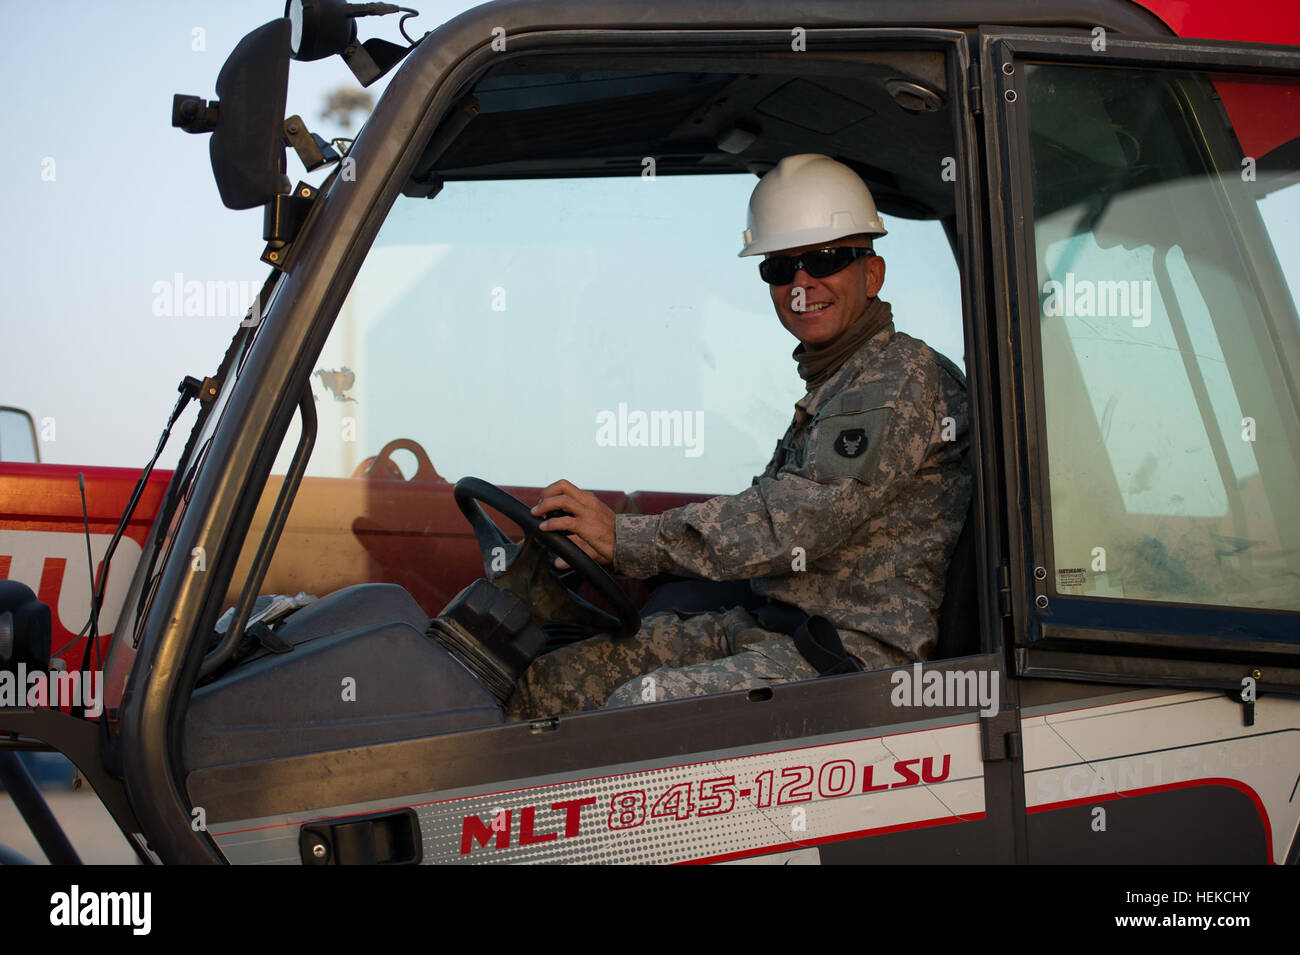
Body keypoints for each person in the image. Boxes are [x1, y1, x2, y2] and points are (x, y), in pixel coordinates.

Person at [505, 153, 970, 720]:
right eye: (780, 268)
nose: (802, 284)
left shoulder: (898, 378)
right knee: (552, 681)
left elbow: (793, 522)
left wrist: (626, 538)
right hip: (774, 629)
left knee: (634, 712)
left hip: (852, 657)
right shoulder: (839, 382)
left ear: (872, 273)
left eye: (825, 259)